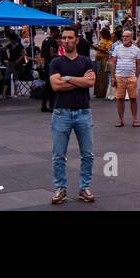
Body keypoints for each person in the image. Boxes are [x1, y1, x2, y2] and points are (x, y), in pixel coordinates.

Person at [48, 26, 96, 205]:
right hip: (62, 113)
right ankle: (60, 188)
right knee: (59, 154)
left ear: (77, 40)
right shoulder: (56, 62)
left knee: (88, 154)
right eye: (64, 38)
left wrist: (67, 78)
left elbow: (91, 82)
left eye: (70, 38)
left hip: (83, 112)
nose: (66, 41)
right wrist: (80, 81)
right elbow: (56, 86)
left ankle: (85, 187)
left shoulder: (86, 61)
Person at [110, 28, 140, 127]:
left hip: (131, 77)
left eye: (127, 36)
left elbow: (139, 65)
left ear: (131, 37)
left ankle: (135, 119)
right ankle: (121, 119)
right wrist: (112, 77)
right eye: (123, 36)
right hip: (119, 77)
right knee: (120, 99)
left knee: (133, 99)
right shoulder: (117, 48)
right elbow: (113, 63)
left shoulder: (136, 49)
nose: (125, 38)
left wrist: (136, 77)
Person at [93, 28, 112, 99]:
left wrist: (98, 49)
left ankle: (103, 92)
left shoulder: (109, 41)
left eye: (101, 33)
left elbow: (107, 51)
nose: (100, 35)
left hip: (104, 60)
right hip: (98, 58)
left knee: (103, 76)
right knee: (98, 76)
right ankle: (98, 92)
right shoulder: (102, 39)